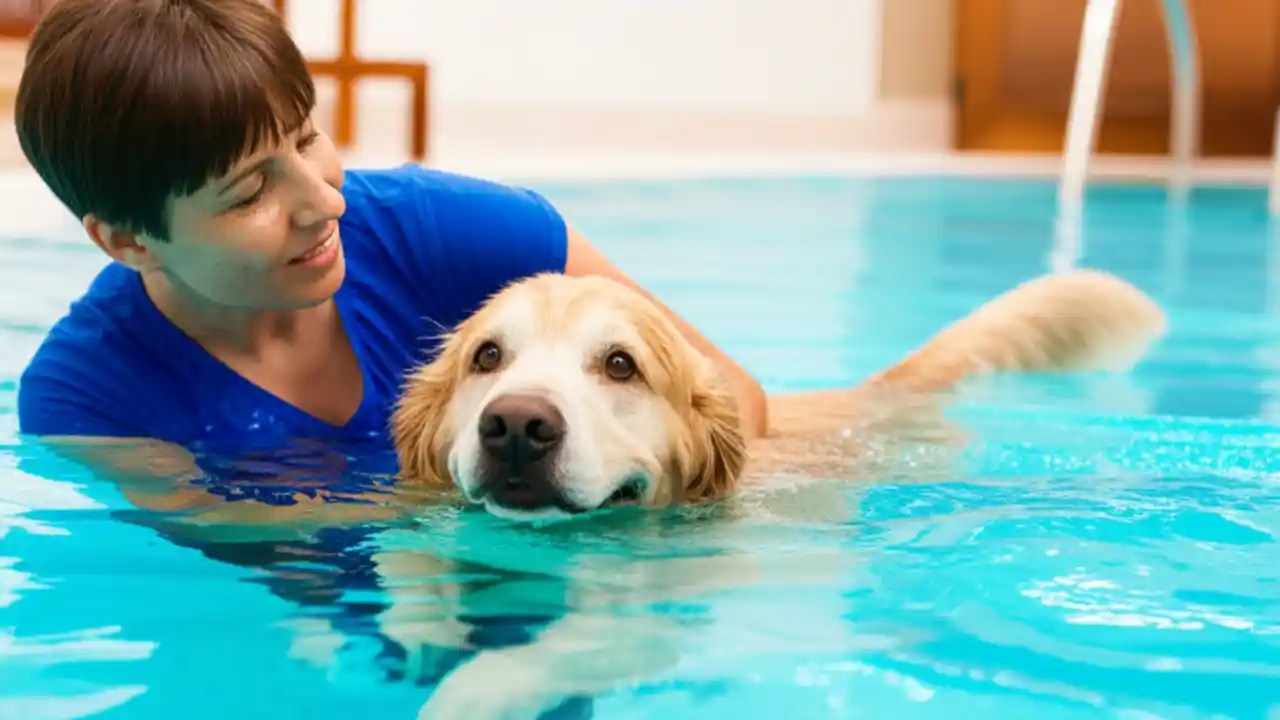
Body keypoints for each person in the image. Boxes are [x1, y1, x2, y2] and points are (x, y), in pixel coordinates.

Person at [13, 0, 767, 499]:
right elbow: (246, 568)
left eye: (308, 136)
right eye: (250, 192)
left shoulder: (454, 230)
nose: (324, 200)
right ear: (127, 239)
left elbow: (730, 394)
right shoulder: (89, 400)